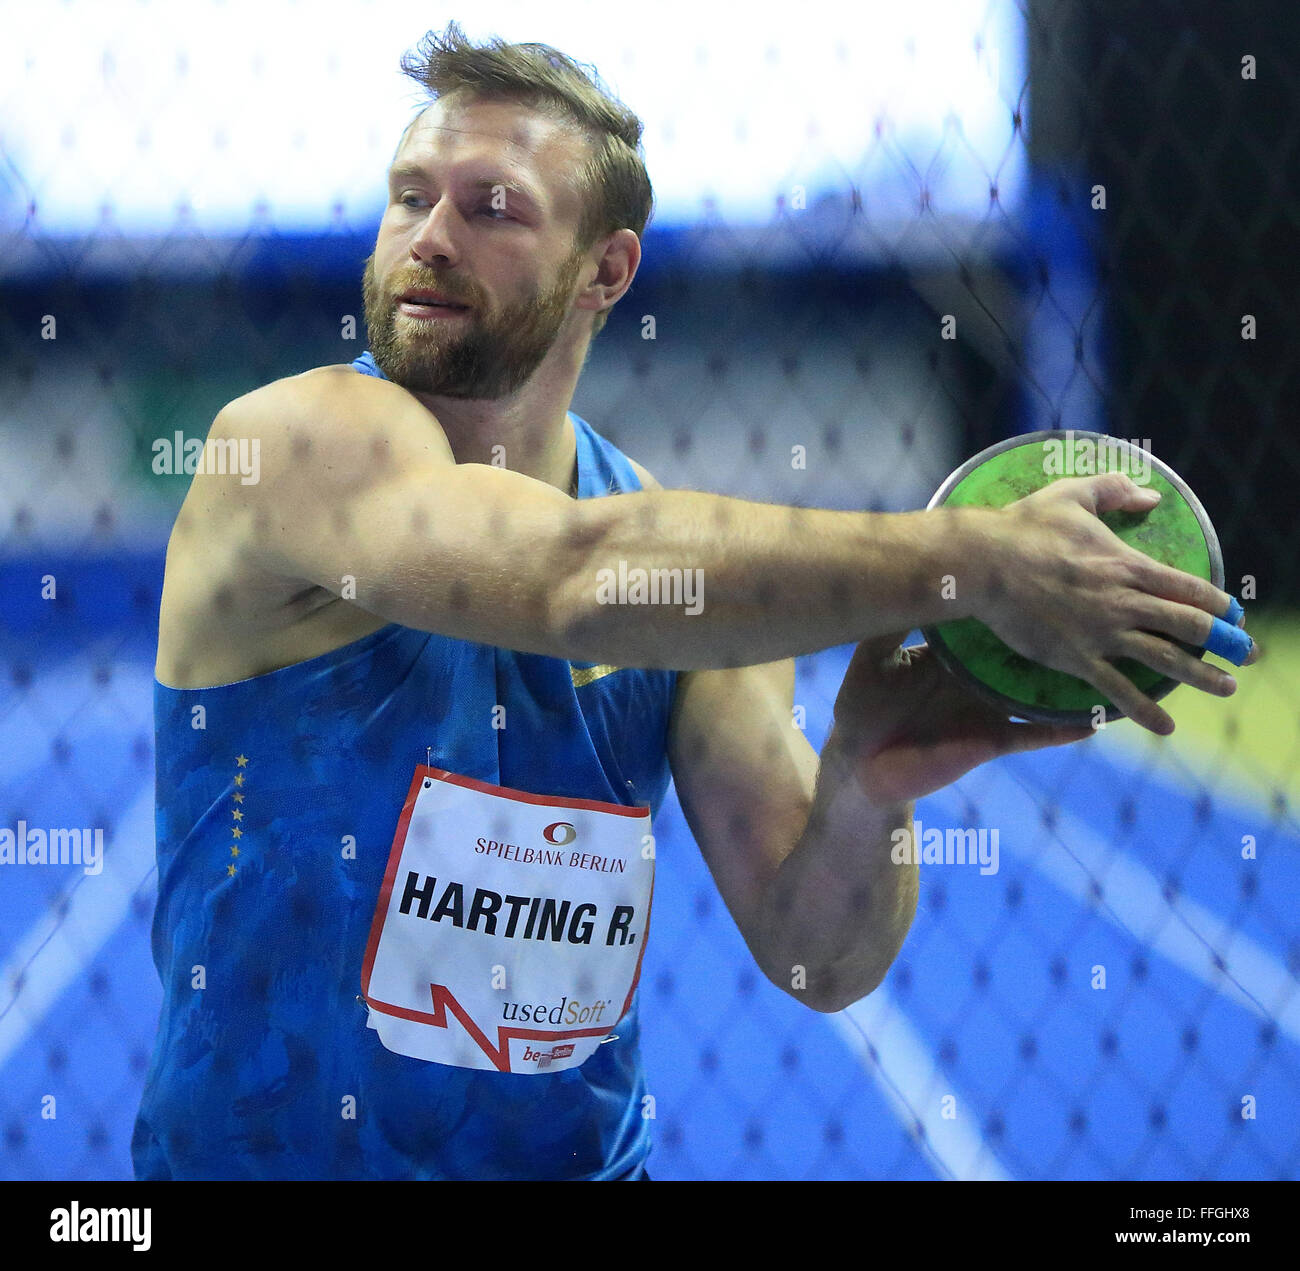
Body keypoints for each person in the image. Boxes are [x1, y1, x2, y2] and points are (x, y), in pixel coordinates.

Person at [132, 21, 1253, 1182]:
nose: (429, 238)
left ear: (606, 271)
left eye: (492, 208)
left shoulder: (681, 587)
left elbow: (818, 955)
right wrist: (980, 558)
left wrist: (864, 785)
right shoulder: (291, 441)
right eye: (409, 196)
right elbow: (571, 580)